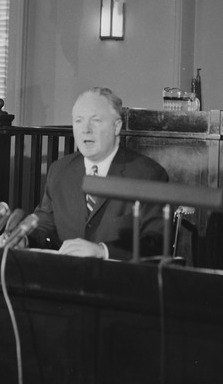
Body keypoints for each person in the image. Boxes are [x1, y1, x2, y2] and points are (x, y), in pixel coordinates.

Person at [27, 87, 170, 259]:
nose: (85, 129)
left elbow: (157, 242)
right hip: (67, 278)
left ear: (116, 127)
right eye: (78, 121)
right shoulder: (60, 171)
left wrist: (102, 251)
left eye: (95, 120)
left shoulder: (148, 174)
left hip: (119, 280)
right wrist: (23, 239)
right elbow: (45, 224)